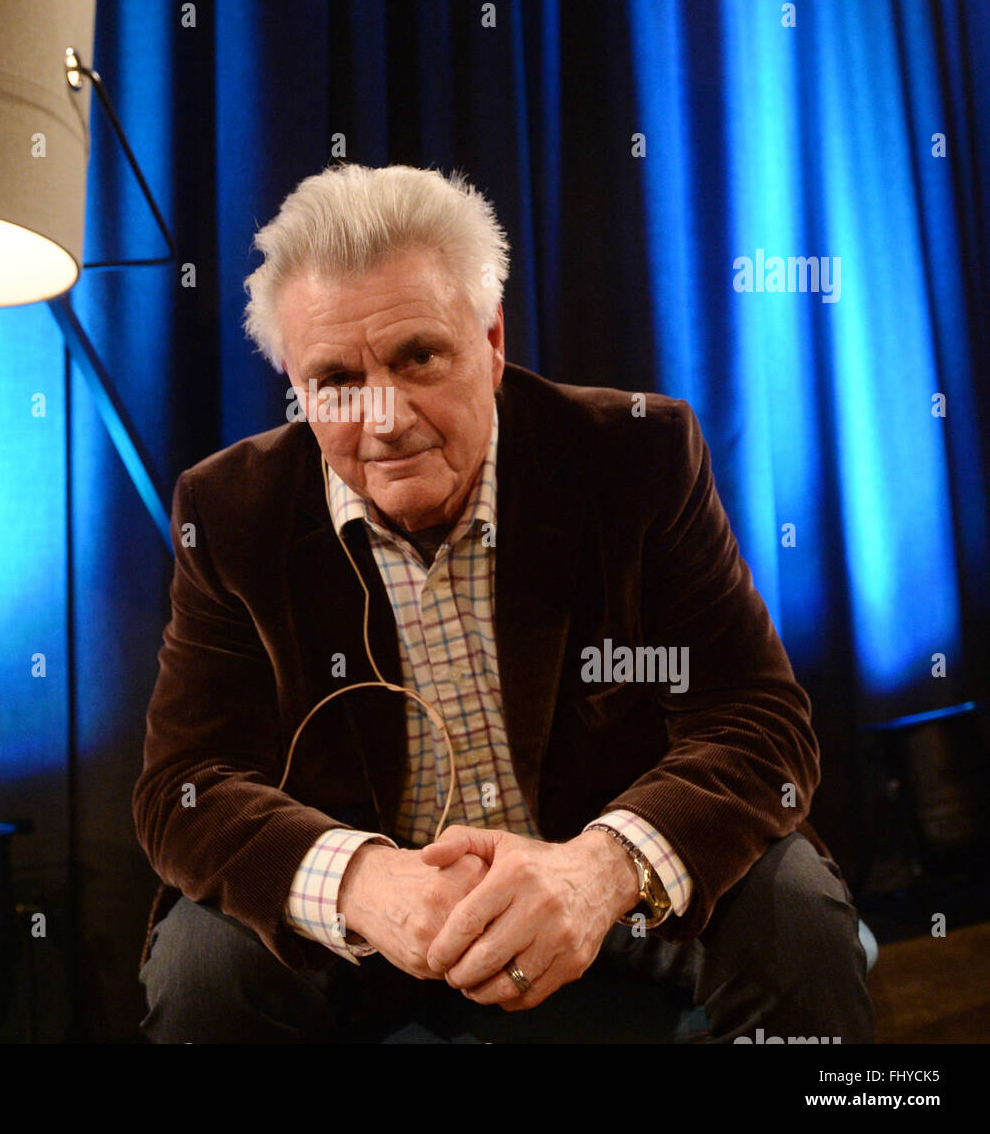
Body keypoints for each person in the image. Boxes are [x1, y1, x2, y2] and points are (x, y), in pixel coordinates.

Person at [132, 163, 874, 1043]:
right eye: (335, 381)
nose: (385, 420)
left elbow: (758, 721)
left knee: (797, 917)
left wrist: (599, 871)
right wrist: (361, 880)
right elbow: (185, 785)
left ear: (490, 341)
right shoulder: (228, 512)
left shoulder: (637, 455)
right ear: (296, 387)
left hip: (614, 895)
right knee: (198, 965)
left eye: (419, 357)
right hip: (371, 939)